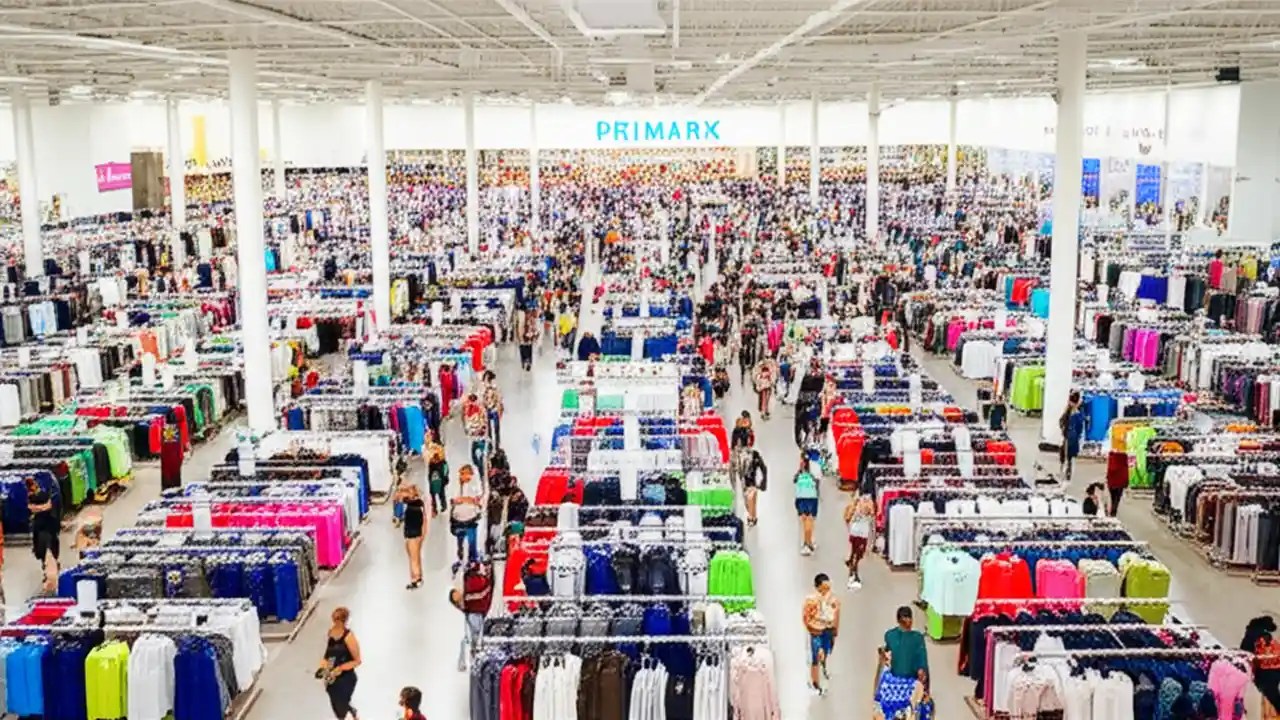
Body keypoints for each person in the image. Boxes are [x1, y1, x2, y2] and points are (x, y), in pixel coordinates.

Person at [317, 607, 361, 720]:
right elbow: (328, 655)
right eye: (334, 619)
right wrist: (323, 667)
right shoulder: (330, 633)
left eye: (337, 619)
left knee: (341, 706)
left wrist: (341, 668)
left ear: (343, 620)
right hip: (332, 678)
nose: (335, 622)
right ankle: (351, 711)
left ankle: (349, 713)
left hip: (346, 678)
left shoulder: (349, 637)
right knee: (336, 705)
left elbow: (357, 660)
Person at [450, 561, 494, 672]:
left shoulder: (472, 580)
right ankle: (471, 661)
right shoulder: (472, 580)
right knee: (473, 638)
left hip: (479, 611)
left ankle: (470, 661)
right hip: (477, 612)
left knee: (473, 638)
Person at [802, 573, 841, 696]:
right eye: (824, 588)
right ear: (817, 587)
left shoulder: (834, 600)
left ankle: (823, 671)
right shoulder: (811, 601)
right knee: (816, 657)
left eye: (828, 588)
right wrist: (815, 626)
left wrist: (834, 630)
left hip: (828, 632)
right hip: (816, 633)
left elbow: (837, 616)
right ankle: (815, 682)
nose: (826, 591)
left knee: (826, 652)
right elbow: (806, 618)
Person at [1241, 615, 1280, 716]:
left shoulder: (1252, 636)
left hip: (1264, 671)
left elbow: (1246, 652)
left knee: (1270, 694)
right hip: (1271, 670)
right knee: (1272, 694)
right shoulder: (1264, 638)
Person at [882, 606, 928, 684]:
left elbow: (922, 654)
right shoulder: (890, 635)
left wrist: (921, 669)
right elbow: (886, 654)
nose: (908, 621)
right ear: (898, 620)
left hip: (912, 678)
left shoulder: (917, 637)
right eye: (904, 618)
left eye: (909, 618)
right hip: (894, 678)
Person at [27, 477, 58, 592]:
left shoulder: (43, 494)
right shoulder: (32, 497)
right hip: (41, 528)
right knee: (42, 550)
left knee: (48, 549)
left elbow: (47, 506)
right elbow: (31, 508)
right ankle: (48, 569)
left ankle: (50, 570)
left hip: (47, 527)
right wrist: (43, 508)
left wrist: (38, 508)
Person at [394, 484, 426, 589]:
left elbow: (397, 499)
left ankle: (416, 578)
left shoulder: (413, 504)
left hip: (413, 533)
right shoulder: (418, 504)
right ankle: (416, 576)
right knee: (414, 555)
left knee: (413, 557)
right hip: (413, 533)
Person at [450, 465, 483, 562]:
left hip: (471, 517)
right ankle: (461, 555)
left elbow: (477, 500)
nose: (465, 476)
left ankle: (472, 559)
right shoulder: (456, 485)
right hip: (458, 518)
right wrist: (467, 500)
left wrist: (463, 499)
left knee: (472, 541)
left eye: (468, 474)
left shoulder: (474, 485)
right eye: (463, 474)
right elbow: (453, 500)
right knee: (460, 539)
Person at [843, 492, 876, 589]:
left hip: (863, 533)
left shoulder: (870, 506)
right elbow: (847, 517)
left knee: (858, 553)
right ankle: (854, 573)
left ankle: (851, 566)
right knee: (857, 554)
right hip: (856, 532)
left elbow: (872, 520)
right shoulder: (855, 505)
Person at [794, 454, 820, 555]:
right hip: (810, 497)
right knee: (809, 520)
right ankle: (808, 541)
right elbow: (817, 483)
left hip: (804, 497)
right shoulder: (814, 469)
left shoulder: (802, 473)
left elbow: (795, 480)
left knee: (806, 521)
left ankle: (807, 543)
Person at [1058, 390, 1085, 482]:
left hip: (1069, 437)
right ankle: (1065, 473)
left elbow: (1061, 422)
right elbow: (1079, 427)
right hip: (1070, 437)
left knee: (1067, 457)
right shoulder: (1076, 413)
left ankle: (1065, 473)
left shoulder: (1073, 413)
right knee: (1067, 457)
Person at [461, 393, 489, 478]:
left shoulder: (480, 410)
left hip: (481, 438)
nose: (471, 403)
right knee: (474, 459)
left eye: (473, 401)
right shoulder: (468, 410)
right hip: (474, 439)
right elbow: (465, 423)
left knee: (480, 458)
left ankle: (483, 476)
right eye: (470, 401)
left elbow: (484, 424)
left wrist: (479, 431)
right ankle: (482, 472)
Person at [741, 447, 768, 527]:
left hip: (752, 481)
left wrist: (763, 480)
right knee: (751, 500)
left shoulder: (754, 454)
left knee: (751, 499)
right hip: (747, 481)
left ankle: (751, 517)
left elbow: (763, 468)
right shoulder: (742, 454)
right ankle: (753, 517)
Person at [426, 436, 449, 516]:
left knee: (440, 494)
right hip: (435, 481)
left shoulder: (441, 463)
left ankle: (442, 506)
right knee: (437, 495)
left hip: (438, 481)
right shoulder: (435, 463)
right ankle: (436, 508)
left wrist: (446, 478)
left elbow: (446, 470)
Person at [480, 370, 504, 448]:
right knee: (489, 427)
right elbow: (482, 398)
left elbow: (499, 398)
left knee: (496, 427)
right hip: (487, 408)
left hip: (494, 408)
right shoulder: (484, 387)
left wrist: (499, 407)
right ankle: (491, 441)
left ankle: (497, 442)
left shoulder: (494, 387)